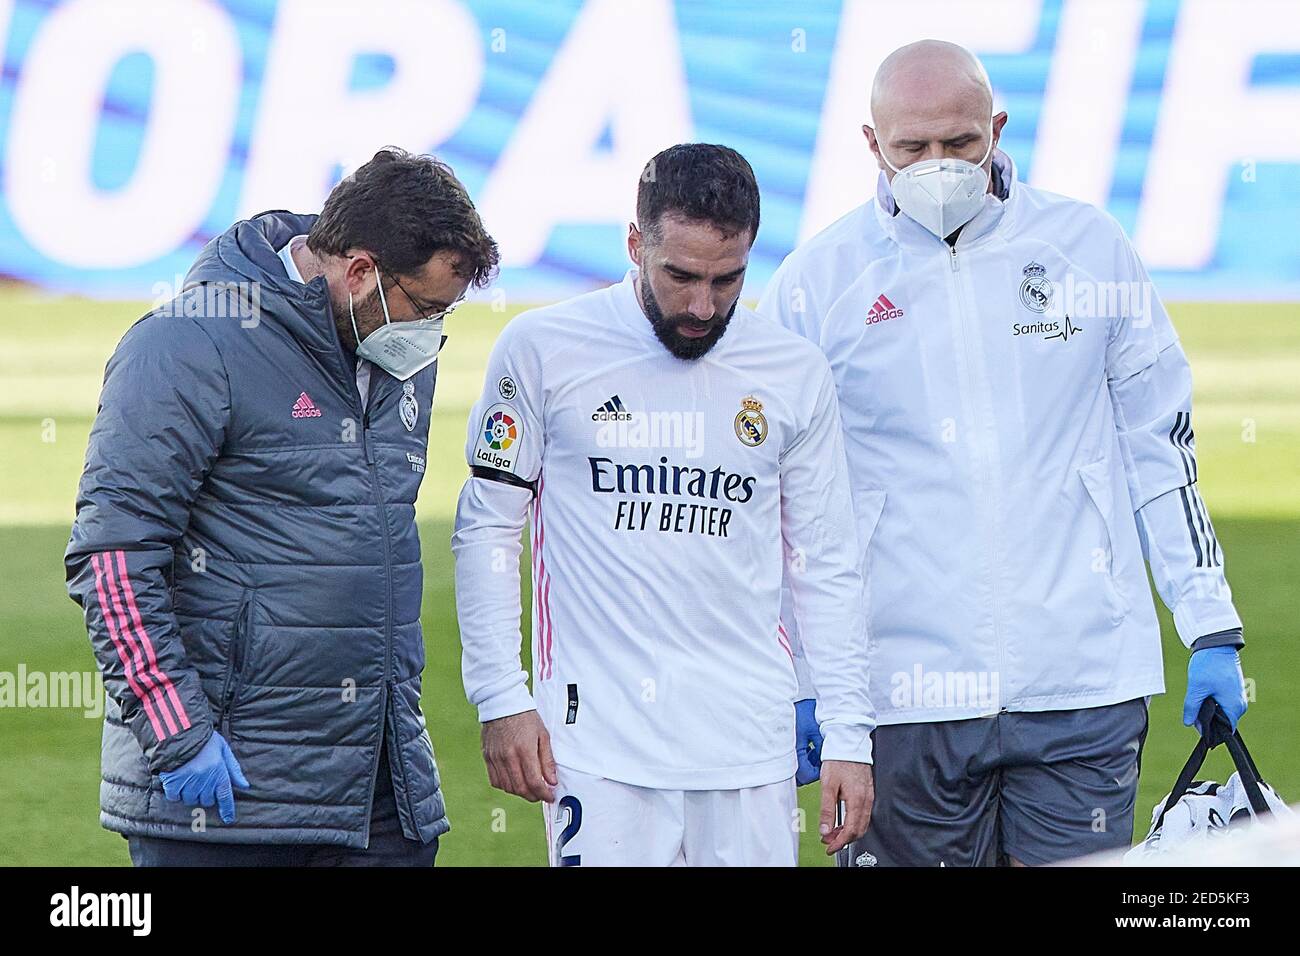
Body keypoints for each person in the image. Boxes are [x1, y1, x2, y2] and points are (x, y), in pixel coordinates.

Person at [758, 40, 1247, 867]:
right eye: (912, 149)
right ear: (872, 145)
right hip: (898, 691)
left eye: (960, 142)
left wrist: (1210, 625)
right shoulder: (815, 286)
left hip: (1082, 676)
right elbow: (780, 502)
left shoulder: (1090, 251)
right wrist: (803, 681)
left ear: (998, 127)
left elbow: (1162, 448)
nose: (938, 165)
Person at [65, 147, 499, 866]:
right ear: (359, 272)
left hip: (378, 795)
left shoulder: (391, 349)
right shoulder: (187, 345)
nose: (432, 333)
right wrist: (178, 731)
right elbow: (111, 555)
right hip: (229, 797)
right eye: (426, 308)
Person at [452, 143, 875, 866]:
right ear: (633, 244)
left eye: (728, 279)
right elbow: (488, 526)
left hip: (748, 748)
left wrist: (848, 731)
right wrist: (500, 696)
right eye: (680, 276)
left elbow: (826, 559)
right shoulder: (545, 348)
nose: (702, 306)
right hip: (598, 748)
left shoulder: (792, 372)